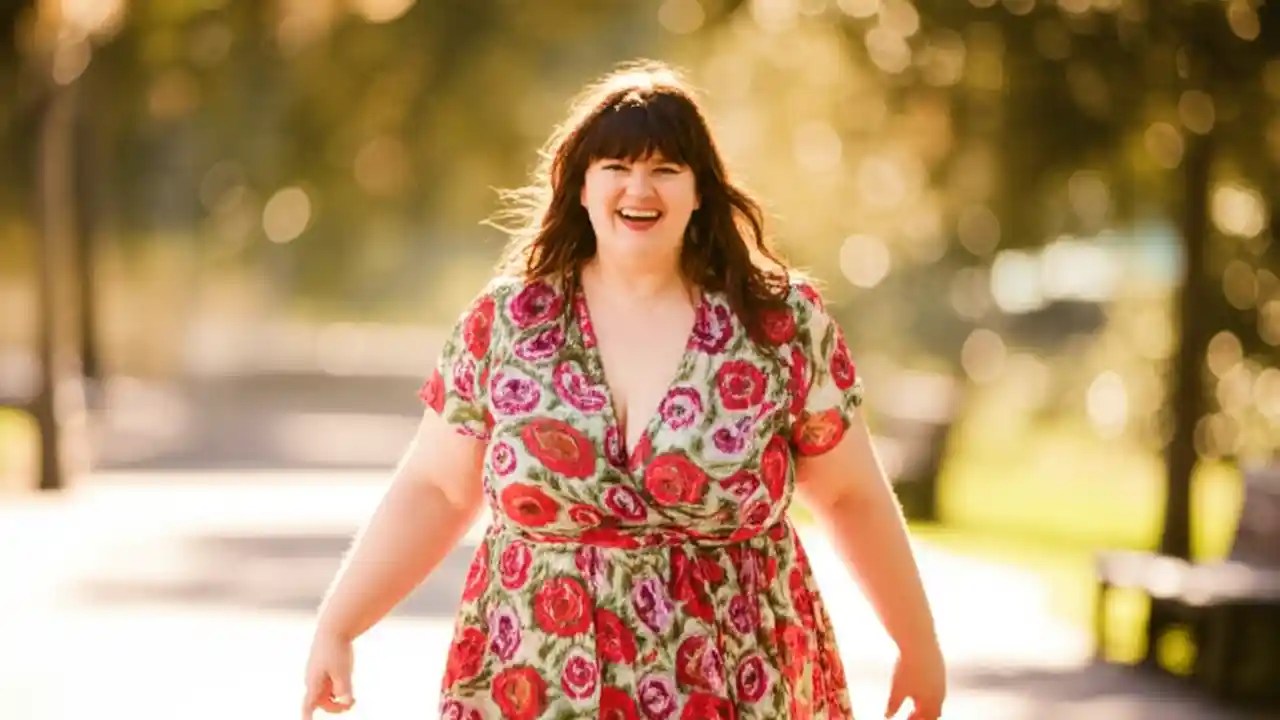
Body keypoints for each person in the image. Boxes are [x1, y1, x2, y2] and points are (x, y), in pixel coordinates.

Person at [301, 60, 946, 720]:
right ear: (581, 186)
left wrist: (916, 642)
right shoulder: (506, 325)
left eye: (666, 168)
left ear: (701, 192)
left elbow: (849, 494)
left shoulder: (779, 325)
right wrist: (339, 624)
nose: (640, 187)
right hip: (540, 683)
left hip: (735, 682)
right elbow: (435, 490)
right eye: (615, 166)